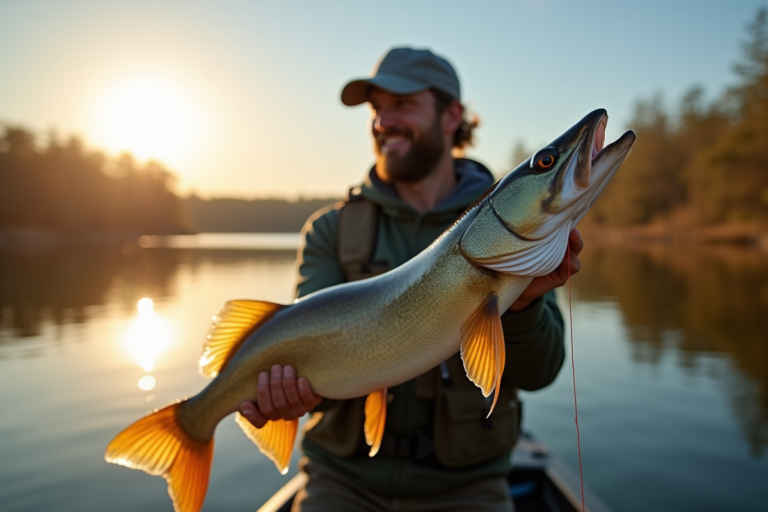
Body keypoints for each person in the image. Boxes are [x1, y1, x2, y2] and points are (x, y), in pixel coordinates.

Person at [238, 47, 583, 511]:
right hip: (341, 483)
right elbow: (313, 365)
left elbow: (540, 372)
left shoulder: (512, 224)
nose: (383, 121)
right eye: (377, 109)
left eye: (402, 104)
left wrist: (522, 308)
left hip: (469, 489)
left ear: (451, 115)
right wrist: (283, 396)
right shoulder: (330, 230)